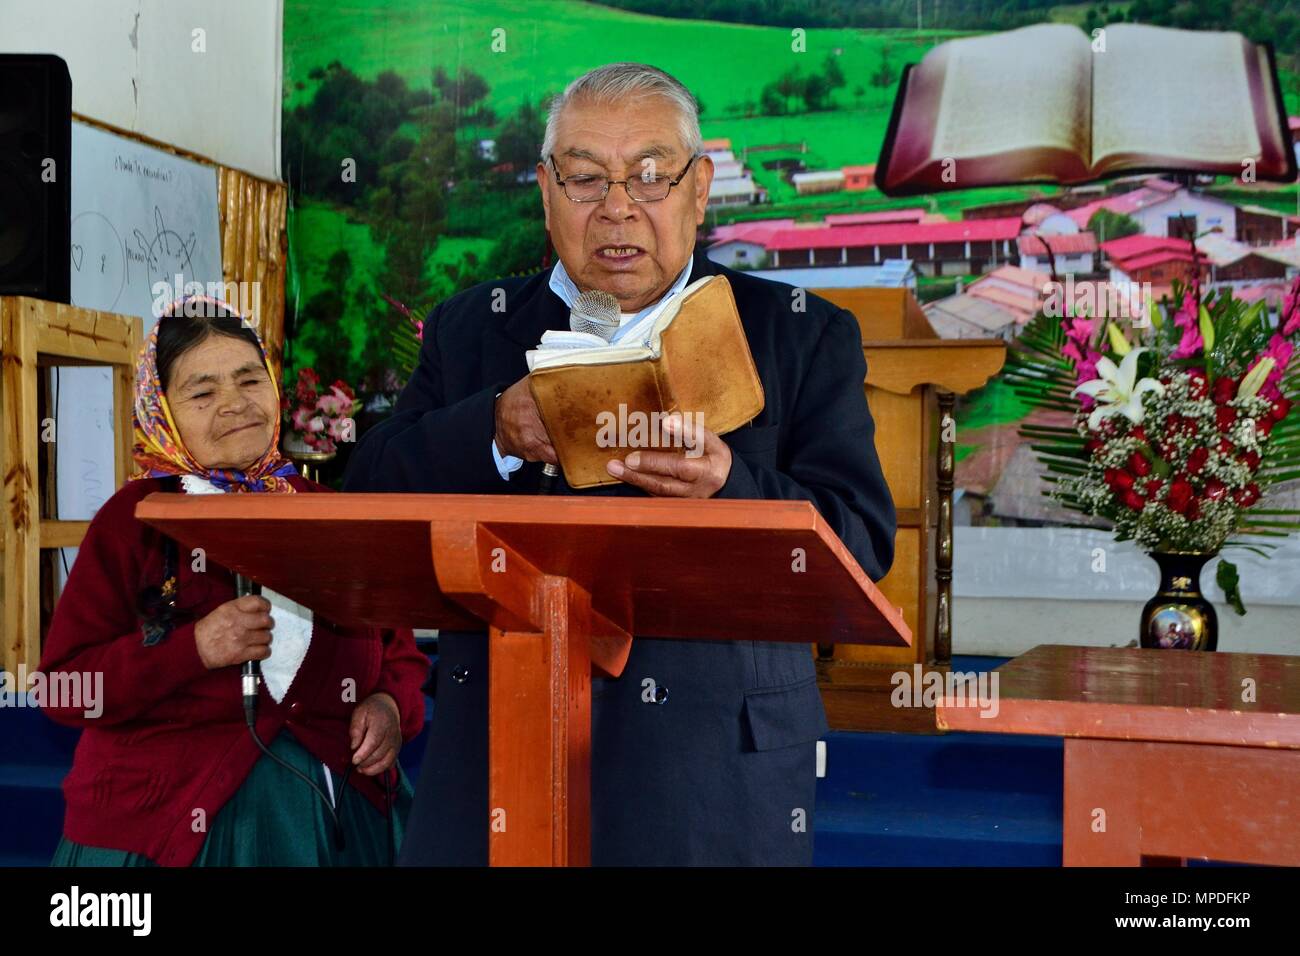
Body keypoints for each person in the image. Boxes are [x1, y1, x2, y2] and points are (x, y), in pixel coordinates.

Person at [344, 63, 897, 865]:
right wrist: (494, 431)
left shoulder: (800, 333)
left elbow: (862, 541)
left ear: (700, 189)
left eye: (649, 176)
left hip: (714, 762)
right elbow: (369, 494)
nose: (617, 208)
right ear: (544, 190)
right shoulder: (472, 329)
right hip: (500, 742)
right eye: (585, 178)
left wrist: (728, 486)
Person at [39, 295, 429, 866]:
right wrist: (191, 649)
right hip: (164, 826)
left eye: (250, 380)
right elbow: (64, 688)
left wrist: (391, 706)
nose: (235, 405)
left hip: (336, 819)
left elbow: (399, 652)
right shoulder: (135, 522)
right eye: (202, 392)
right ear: (162, 411)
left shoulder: (333, 514)